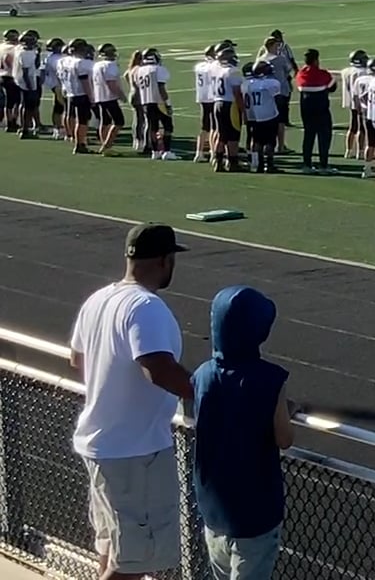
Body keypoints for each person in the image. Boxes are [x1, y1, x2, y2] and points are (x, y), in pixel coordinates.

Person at [69, 223, 194, 580]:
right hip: (134, 454)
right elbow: (157, 368)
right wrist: (209, 393)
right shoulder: (146, 306)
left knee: (111, 551)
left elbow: (77, 358)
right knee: (133, 565)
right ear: (165, 261)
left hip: (103, 446)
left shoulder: (98, 299)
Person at [191, 286, 293, 580]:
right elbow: (284, 438)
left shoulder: (202, 375)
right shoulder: (270, 379)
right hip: (255, 514)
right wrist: (287, 409)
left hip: (214, 512)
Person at [294, 49, 336, 172]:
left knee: (309, 136)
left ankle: (307, 164)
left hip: (306, 109)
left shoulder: (301, 74)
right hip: (321, 108)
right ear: (316, 60)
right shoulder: (323, 74)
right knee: (324, 136)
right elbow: (332, 87)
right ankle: (323, 164)